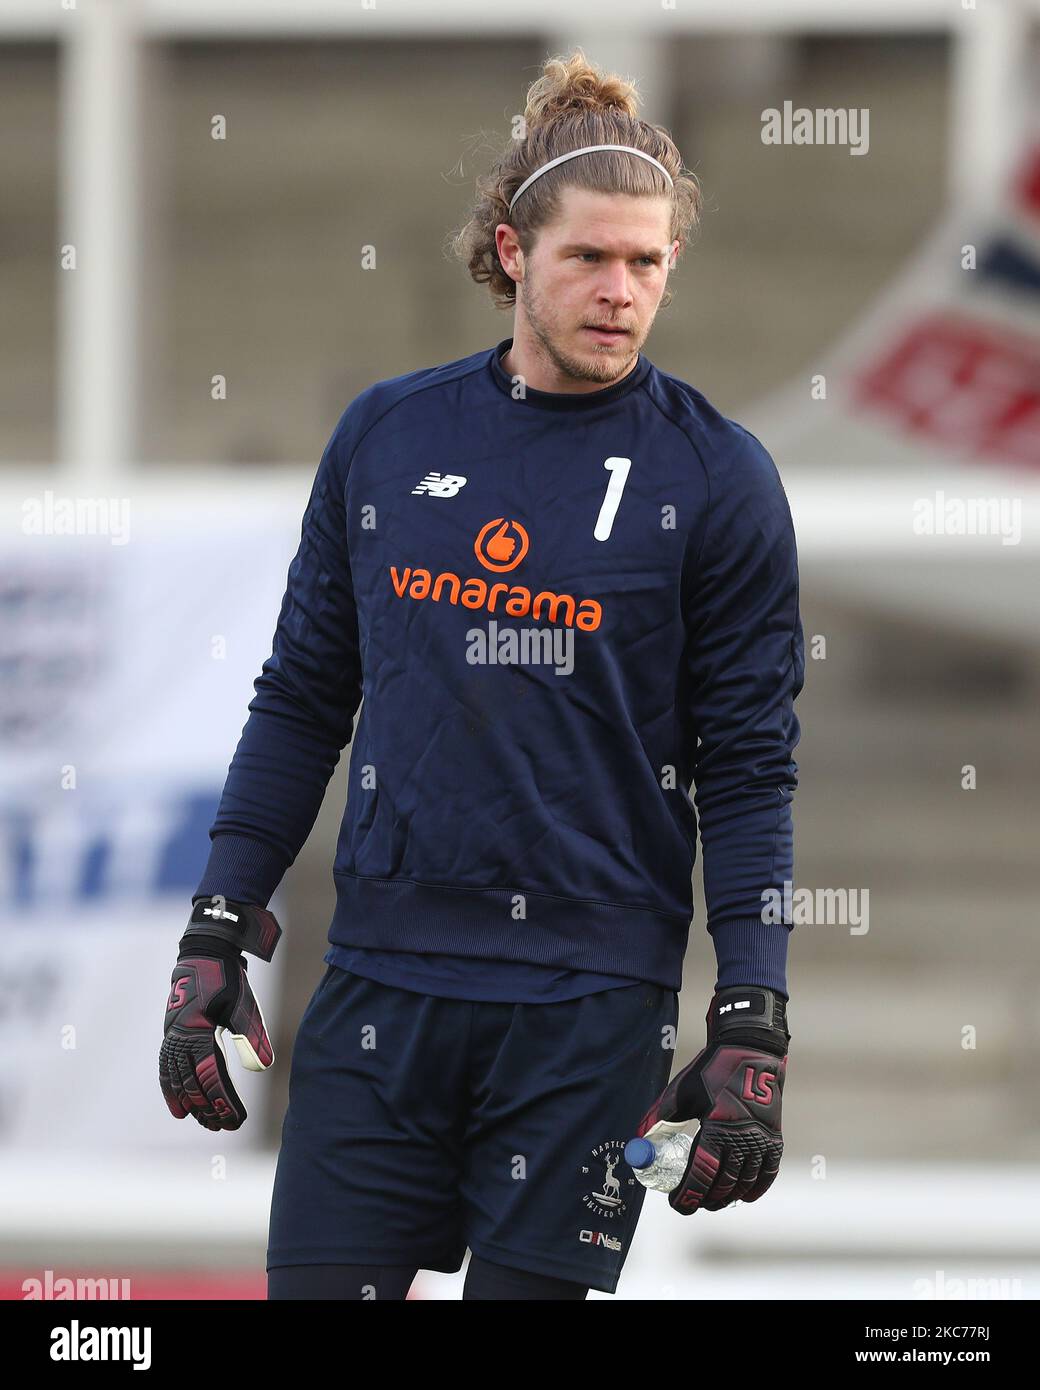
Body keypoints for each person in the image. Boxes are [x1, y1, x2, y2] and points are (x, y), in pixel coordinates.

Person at [159, 48, 803, 1302]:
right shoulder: (388, 437)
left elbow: (749, 768)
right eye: (589, 258)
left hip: (590, 1011)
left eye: (647, 262)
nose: (621, 291)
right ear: (512, 251)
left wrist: (753, 1013)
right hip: (379, 987)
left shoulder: (719, 480)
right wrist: (217, 925)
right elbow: (301, 698)